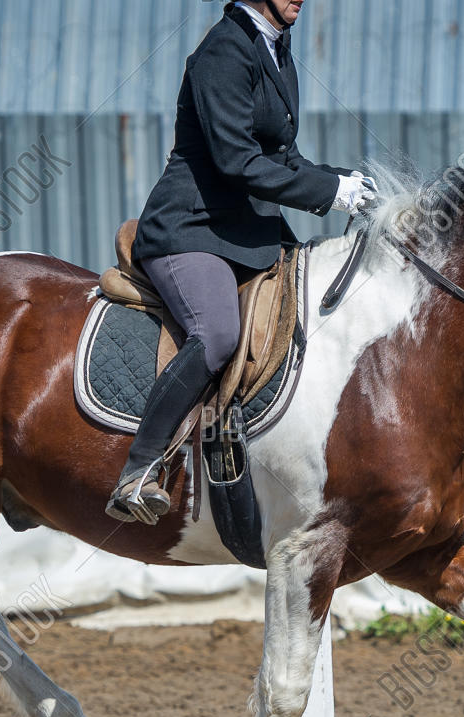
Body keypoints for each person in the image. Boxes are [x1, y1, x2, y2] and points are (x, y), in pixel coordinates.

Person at [105, 0, 376, 524]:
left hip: (249, 232)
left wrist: (353, 186)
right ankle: (138, 470)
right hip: (192, 229)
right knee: (218, 333)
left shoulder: (275, 48)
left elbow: (282, 159)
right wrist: (330, 193)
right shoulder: (222, 51)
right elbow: (236, 161)